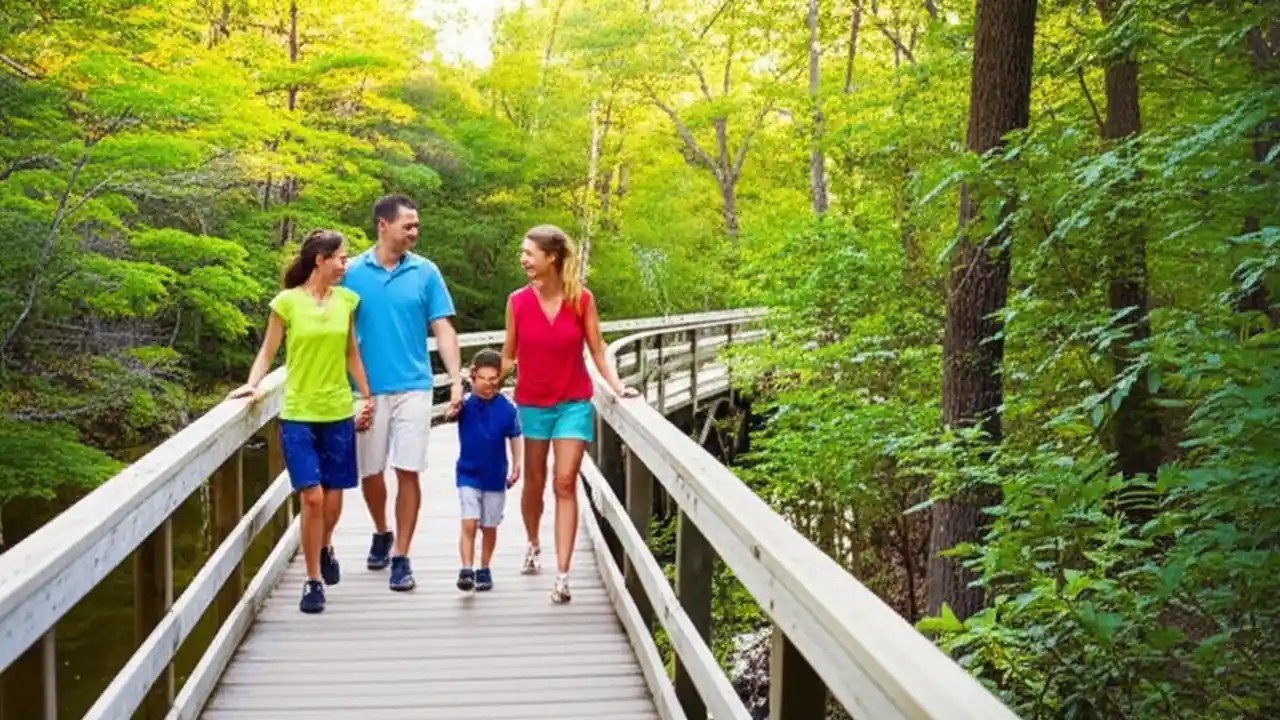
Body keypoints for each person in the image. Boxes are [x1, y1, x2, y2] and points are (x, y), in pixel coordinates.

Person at [229, 229, 373, 614]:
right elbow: (267, 352)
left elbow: (351, 353)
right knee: (312, 498)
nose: (347, 264)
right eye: (342, 258)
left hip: (338, 410)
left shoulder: (348, 300)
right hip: (298, 413)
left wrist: (367, 395)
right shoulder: (287, 303)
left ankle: (326, 544)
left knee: (333, 499)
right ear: (320, 260)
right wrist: (252, 385)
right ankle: (312, 581)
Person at [499, 224, 638, 604]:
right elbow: (509, 354)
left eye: (529, 253)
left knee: (564, 481)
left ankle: (562, 575)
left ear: (552, 258)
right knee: (534, 480)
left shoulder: (581, 299)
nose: (523, 259)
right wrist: (490, 380)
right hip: (531, 401)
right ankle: (532, 541)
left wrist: (617, 386)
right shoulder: (517, 301)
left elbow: (597, 348)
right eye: (523, 252)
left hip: (573, 401)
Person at [342, 194, 463, 592]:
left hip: (414, 386)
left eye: (416, 225)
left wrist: (457, 379)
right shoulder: (352, 271)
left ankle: (402, 556)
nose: (414, 231)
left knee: (408, 469)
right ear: (383, 225)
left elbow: (443, 328)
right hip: (367, 390)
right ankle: (381, 531)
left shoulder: (426, 273)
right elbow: (333, 328)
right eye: (407, 225)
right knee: (371, 471)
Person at [454, 349, 523, 592]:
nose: (488, 384)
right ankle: (466, 569)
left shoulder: (507, 408)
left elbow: (515, 436)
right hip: (468, 473)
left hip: (495, 476)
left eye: (493, 379)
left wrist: (517, 464)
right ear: (473, 377)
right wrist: (451, 408)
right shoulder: (465, 404)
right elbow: (449, 414)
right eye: (483, 379)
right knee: (469, 522)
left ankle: (484, 567)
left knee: (489, 526)